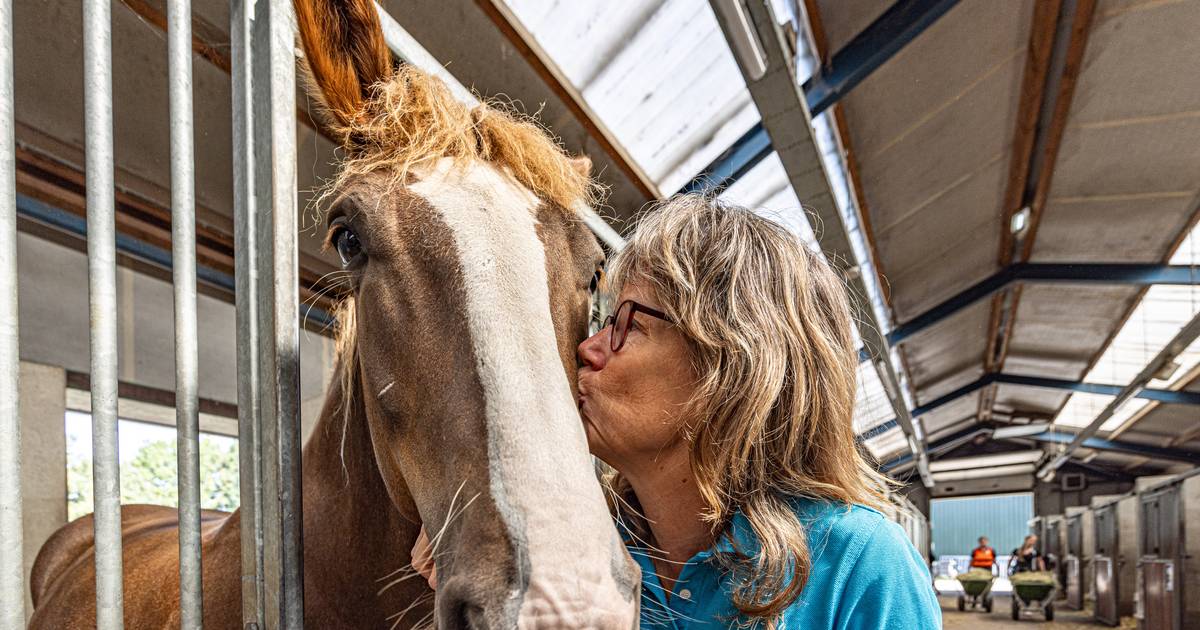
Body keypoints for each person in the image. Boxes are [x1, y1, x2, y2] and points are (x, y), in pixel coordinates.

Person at [575, 196, 940, 628]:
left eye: (628, 324)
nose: (587, 348)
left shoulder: (859, 567)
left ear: (734, 365)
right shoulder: (578, 545)